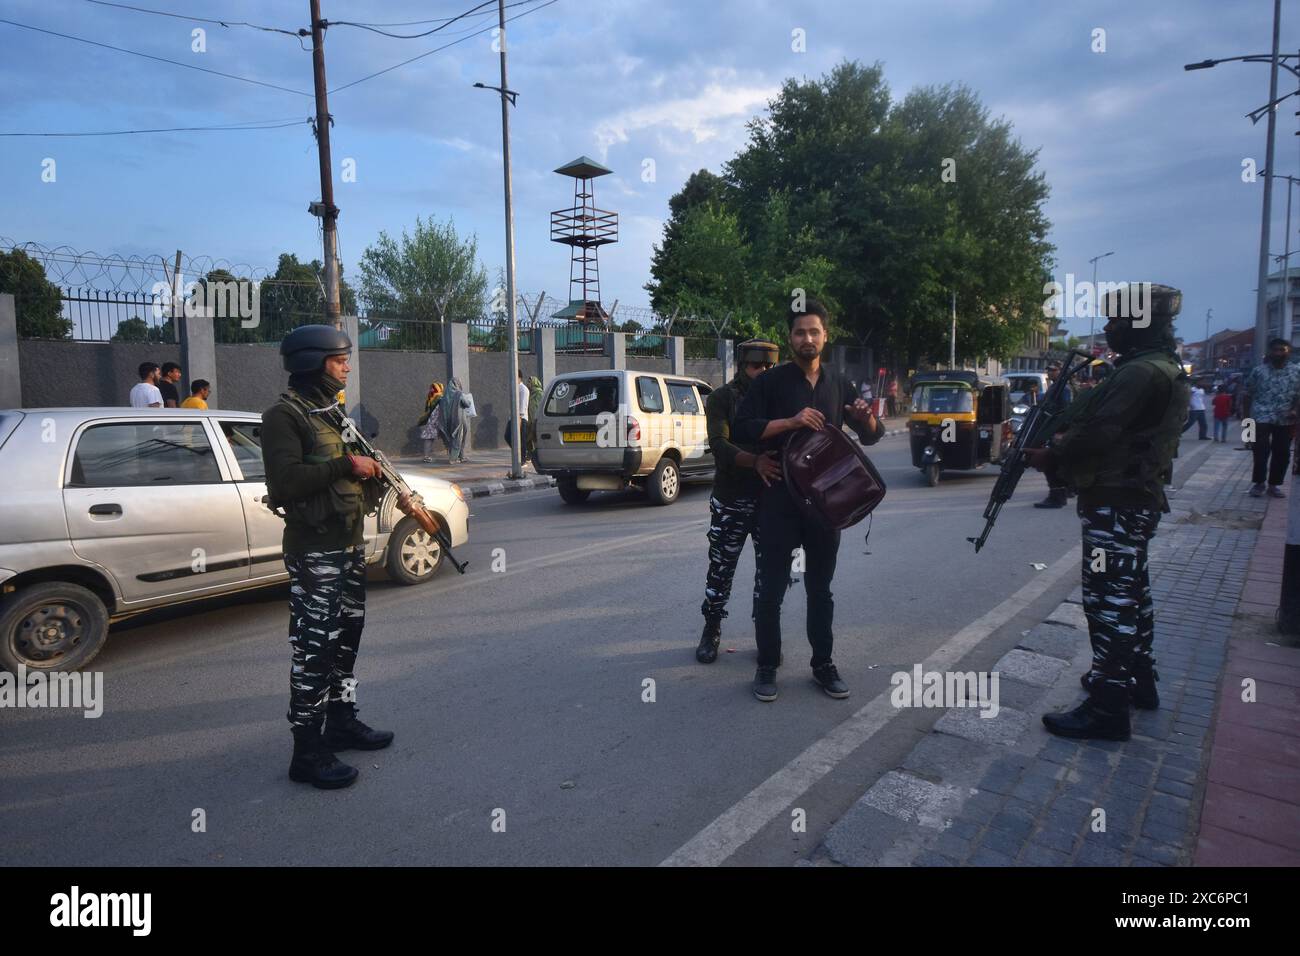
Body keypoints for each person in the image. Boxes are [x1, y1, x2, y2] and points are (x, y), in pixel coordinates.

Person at [1029, 283, 1189, 741]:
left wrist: (1052, 454)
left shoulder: (1139, 374)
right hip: (1135, 499)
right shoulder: (1160, 366)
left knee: (1108, 601)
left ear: (1140, 324)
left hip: (1119, 501)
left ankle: (1108, 706)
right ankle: (1137, 681)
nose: (1109, 329)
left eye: (1117, 322)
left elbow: (1097, 434)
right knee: (1132, 594)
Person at [261, 325, 396, 790]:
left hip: (348, 547)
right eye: (340, 360)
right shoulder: (284, 416)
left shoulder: (331, 414)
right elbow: (285, 483)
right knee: (314, 650)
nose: (347, 367)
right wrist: (345, 465)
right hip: (314, 552)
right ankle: (307, 750)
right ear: (314, 362)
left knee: (346, 642)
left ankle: (341, 721)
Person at [735, 299, 885, 702]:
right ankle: (767, 666)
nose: (807, 338)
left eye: (814, 331)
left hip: (826, 506)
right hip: (780, 501)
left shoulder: (840, 383)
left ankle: (823, 665)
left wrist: (866, 416)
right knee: (771, 590)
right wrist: (790, 422)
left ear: (825, 336)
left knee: (821, 590)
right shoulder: (770, 383)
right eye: (800, 332)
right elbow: (741, 426)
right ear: (790, 338)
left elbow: (871, 434)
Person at [696, 339, 783, 664]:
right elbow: (719, 444)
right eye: (756, 365)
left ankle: (766, 636)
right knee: (720, 570)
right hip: (731, 499)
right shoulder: (723, 398)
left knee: (770, 575)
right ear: (742, 364)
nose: (762, 372)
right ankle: (711, 629)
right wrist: (754, 461)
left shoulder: (777, 399)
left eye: (768, 366)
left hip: (770, 501)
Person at [1242, 338, 1300, 498]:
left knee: (1282, 453)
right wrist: (1246, 423)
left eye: (1282, 350)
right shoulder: (1258, 371)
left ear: (1289, 352)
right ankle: (1259, 483)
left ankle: (1274, 485)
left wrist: (1295, 410)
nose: (1278, 353)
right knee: (1259, 451)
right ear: (1270, 352)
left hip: (1285, 418)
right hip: (1261, 417)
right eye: (1275, 350)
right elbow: (1246, 395)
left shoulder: (1296, 371)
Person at [1034, 361, 1074, 509]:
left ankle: (1058, 496)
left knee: (1052, 463)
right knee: (1058, 463)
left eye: (1053, 369)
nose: (1050, 372)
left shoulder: (1063, 388)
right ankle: (1065, 491)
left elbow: (1064, 411)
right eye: (1048, 370)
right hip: (1053, 428)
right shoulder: (1057, 386)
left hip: (1058, 429)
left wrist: (1058, 431)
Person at [443, 377, 472, 464]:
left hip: (449, 420)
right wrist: (469, 400)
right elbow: (467, 403)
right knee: (459, 438)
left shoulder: (446, 395)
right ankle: (453, 459)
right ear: (457, 384)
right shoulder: (459, 394)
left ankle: (461, 456)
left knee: (453, 437)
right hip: (459, 419)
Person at [418, 382, 445, 463]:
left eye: (433, 387)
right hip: (434, 422)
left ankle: (454, 455)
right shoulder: (433, 398)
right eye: (431, 387)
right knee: (429, 439)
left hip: (437, 422)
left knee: (429, 438)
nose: (431, 389)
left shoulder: (439, 398)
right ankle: (426, 456)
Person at [525, 375, 543, 465]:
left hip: (535, 420)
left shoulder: (539, 393)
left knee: (533, 439)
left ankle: (534, 456)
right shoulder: (530, 393)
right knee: (528, 439)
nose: (528, 384)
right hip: (529, 420)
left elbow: (538, 407)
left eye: (529, 382)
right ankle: (530, 455)